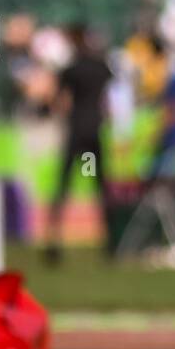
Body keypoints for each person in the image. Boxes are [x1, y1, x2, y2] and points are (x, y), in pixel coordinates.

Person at [45, 22, 114, 265]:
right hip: (94, 129)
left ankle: (53, 243)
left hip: (76, 129)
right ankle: (111, 242)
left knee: (63, 186)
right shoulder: (100, 66)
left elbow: (58, 99)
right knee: (101, 188)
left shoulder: (71, 69)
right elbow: (109, 99)